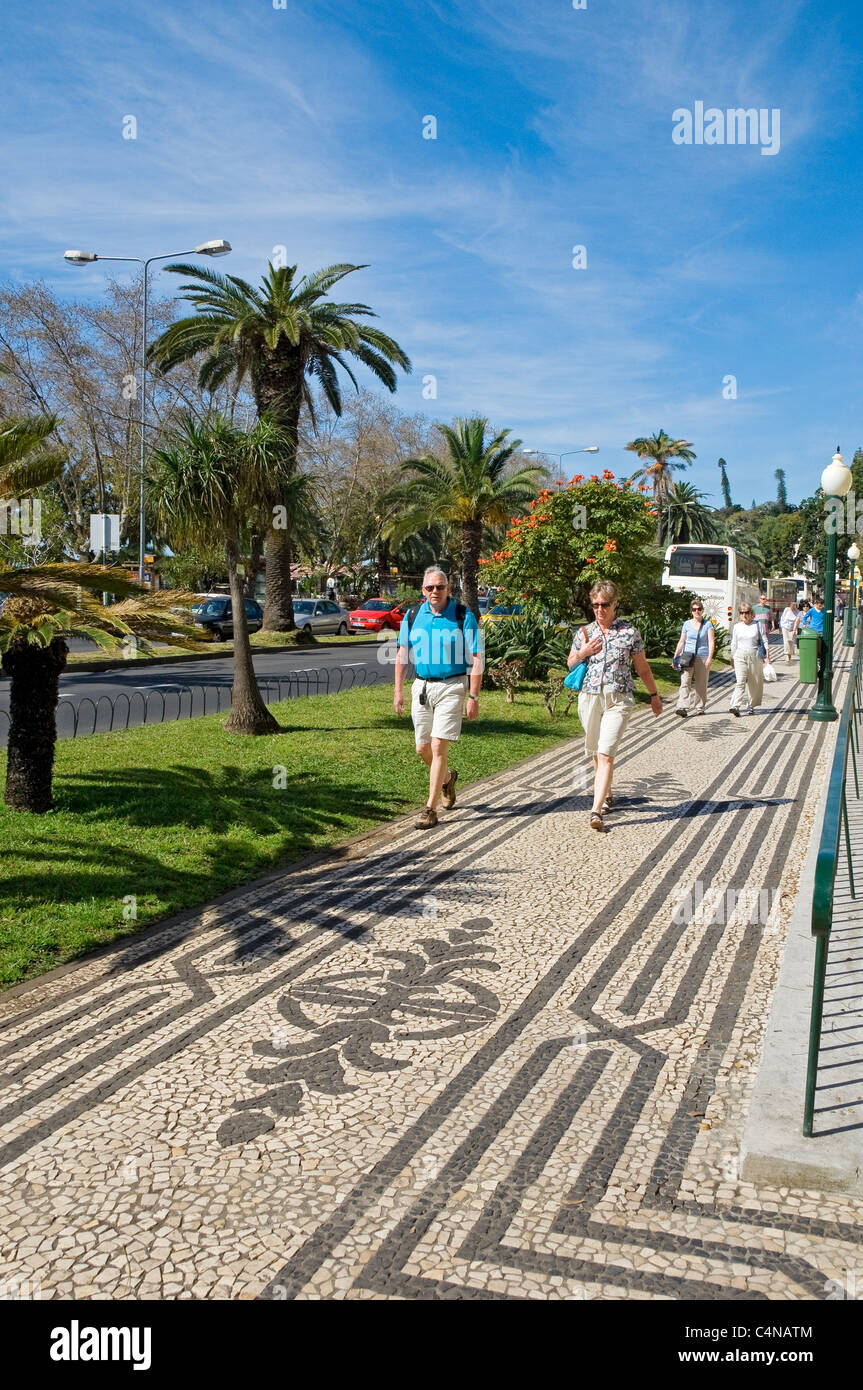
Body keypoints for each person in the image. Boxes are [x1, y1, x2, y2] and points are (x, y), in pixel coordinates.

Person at [567, 579, 663, 832]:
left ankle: (596, 810)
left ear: (615, 604)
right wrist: (583, 653)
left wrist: (654, 695)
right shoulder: (584, 632)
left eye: (605, 604)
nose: (599, 609)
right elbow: (570, 663)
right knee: (596, 751)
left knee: (605, 753)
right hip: (590, 697)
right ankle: (607, 793)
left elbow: (642, 668)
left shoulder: (629, 633)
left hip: (619, 699)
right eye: (595, 605)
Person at [394, 566, 483, 830]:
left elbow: (476, 658)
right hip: (421, 686)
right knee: (422, 748)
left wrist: (473, 696)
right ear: (423, 590)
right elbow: (402, 654)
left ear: (448, 588)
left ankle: (430, 809)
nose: (435, 591)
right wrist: (398, 691)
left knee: (437, 745)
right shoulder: (412, 616)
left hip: (452, 686)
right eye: (430, 587)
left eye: (440, 587)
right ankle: (447, 779)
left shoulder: (462, 615)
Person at [672, 600, 715, 717]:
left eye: (699, 609)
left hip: (702, 656)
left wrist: (709, 658)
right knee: (685, 681)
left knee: (701, 683)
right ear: (691, 611)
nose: (697, 611)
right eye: (694, 609)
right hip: (687, 656)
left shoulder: (708, 624)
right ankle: (682, 707)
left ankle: (700, 707)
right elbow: (682, 641)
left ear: (702, 610)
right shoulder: (686, 624)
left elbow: (711, 642)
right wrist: (675, 656)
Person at [729, 603, 767, 716]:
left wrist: (768, 657)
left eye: (746, 612)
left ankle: (751, 705)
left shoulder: (757, 625)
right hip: (740, 655)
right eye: (741, 613)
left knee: (754, 682)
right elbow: (734, 643)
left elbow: (764, 640)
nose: (744, 615)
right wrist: (732, 657)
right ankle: (735, 706)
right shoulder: (737, 626)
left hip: (754, 654)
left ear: (751, 614)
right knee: (740, 681)